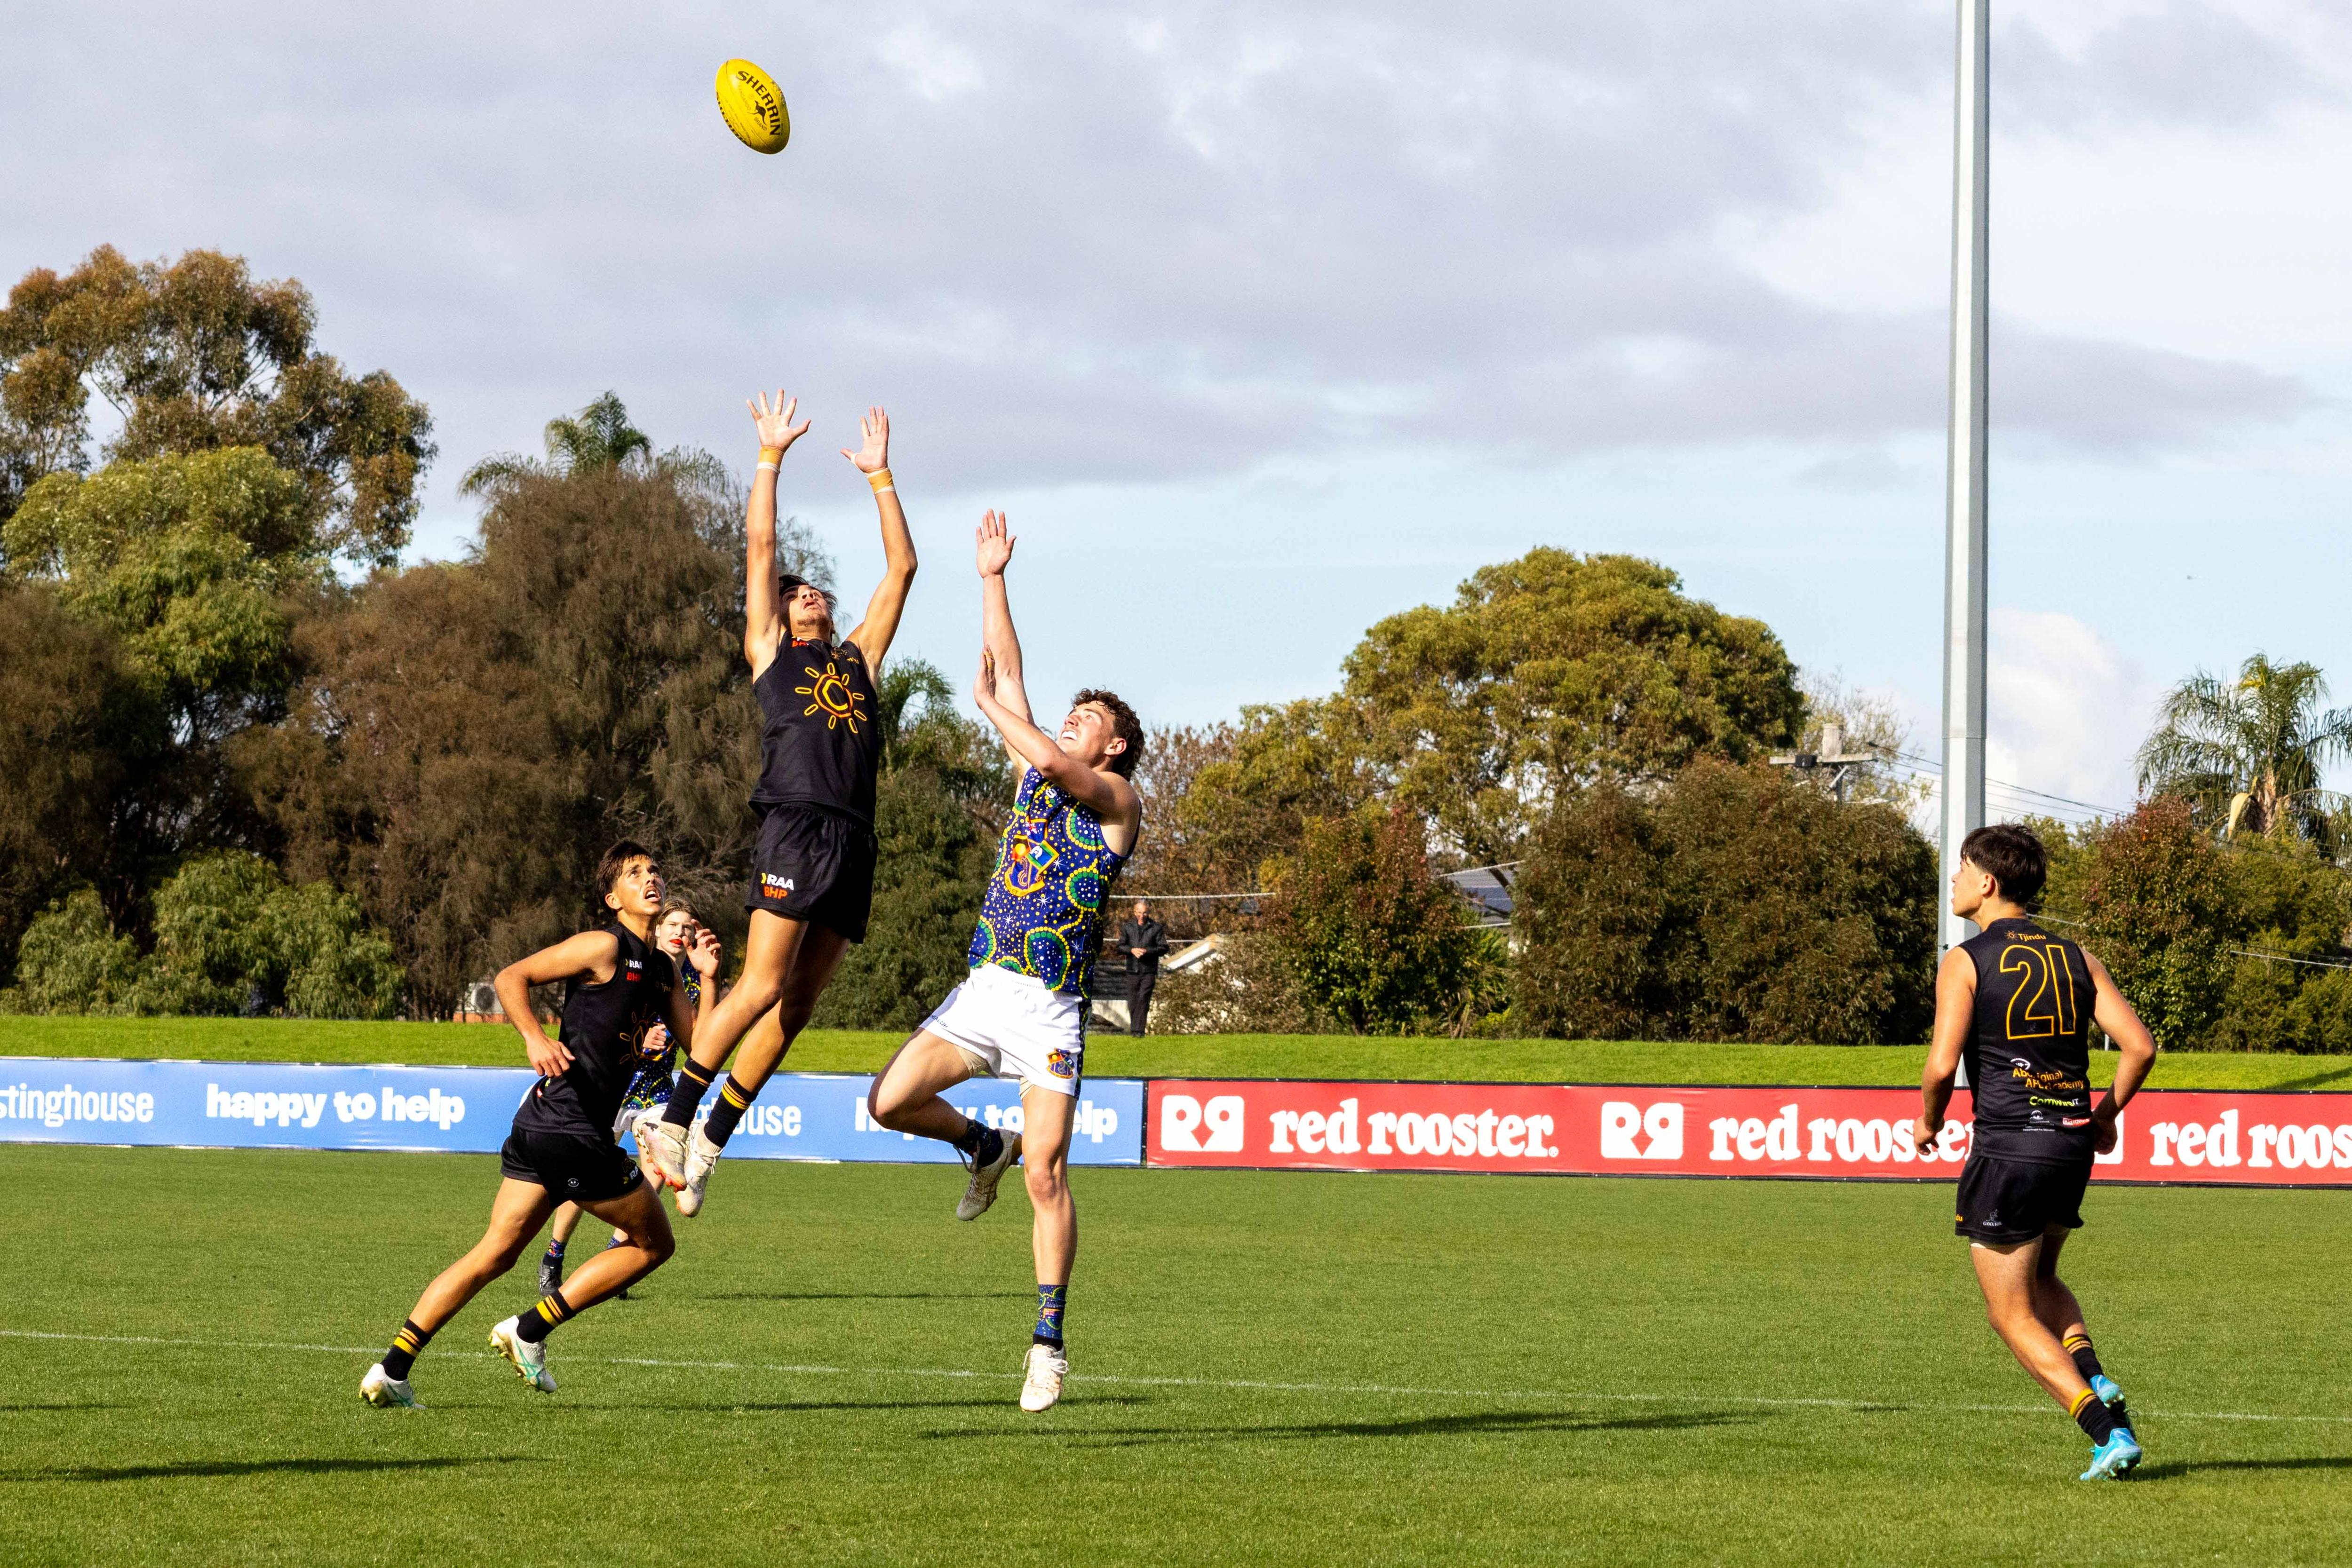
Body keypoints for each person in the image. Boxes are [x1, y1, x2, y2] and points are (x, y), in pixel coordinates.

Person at [866, 509, 1144, 1413]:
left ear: (1116, 746)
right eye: (1074, 712)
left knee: (1048, 1172)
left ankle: (1047, 1341)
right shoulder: (1038, 765)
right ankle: (979, 1141)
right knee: (887, 1099)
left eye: (1091, 719)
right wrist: (991, 577)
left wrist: (992, 708)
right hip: (984, 989)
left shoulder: (1112, 798)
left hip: (1051, 1008)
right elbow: (1013, 668)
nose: (1074, 720)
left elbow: (1050, 753)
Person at [638, 393, 916, 1215]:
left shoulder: (858, 658)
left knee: (795, 1010)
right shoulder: (769, 652)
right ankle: (670, 1118)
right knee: (757, 987)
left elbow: (901, 569)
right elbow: (761, 544)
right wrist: (769, 457)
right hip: (796, 822)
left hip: (854, 839)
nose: (810, 597)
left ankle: (710, 1138)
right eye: (798, 595)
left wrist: (880, 477)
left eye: (815, 592)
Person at [360, 842, 694, 1408]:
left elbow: (701, 1045)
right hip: (570, 1128)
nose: (650, 879)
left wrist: (704, 978)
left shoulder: (661, 969)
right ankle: (531, 1329)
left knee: (495, 1253)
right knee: (654, 1243)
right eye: (634, 874)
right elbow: (512, 976)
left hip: (544, 1124)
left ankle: (391, 1368)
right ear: (613, 898)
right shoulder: (602, 944)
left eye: (654, 870)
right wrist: (535, 1038)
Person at [1915, 823, 2156, 1481]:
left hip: (2008, 1146)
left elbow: (1941, 1067)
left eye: (1962, 868)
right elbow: (2140, 1046)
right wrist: (2106, 1117)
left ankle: (2105, 1432)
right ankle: (2096, 1376)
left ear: (1989, 882)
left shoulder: (1965, 959)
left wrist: (1927, 1121)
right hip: (2070, 1145)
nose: (1956, 880)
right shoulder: (2079, 957)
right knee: (2044, 1278)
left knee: (2010, 1311)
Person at [539, 901, 719, 1297]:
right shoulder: (629, 963)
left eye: (688, 927)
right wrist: (641, 1044)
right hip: (614, 1082)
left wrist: (711, 982)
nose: (680, 932)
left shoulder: (686, 978)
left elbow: (703, 1044)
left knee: (657, 1167)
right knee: (583, 1176)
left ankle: (617, 1252)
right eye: (673, 923)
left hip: (655, 1087)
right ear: (656, 928)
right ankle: (554, 1255)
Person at [1115, 899, 1167, 1037]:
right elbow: (1120, 947)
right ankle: (1135, 1029)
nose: (1142, 915)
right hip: (1132, 969)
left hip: (1149, 970)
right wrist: (1132, 950)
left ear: (1148, 913)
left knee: (1144, 998)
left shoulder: (1156, 928)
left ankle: (1140, 1031)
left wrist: (1147, 951)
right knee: (1133, 1000)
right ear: (1134, 912)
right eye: (1139, 912)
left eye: (1144, 913)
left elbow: (1163, 948)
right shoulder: (1128, 927)